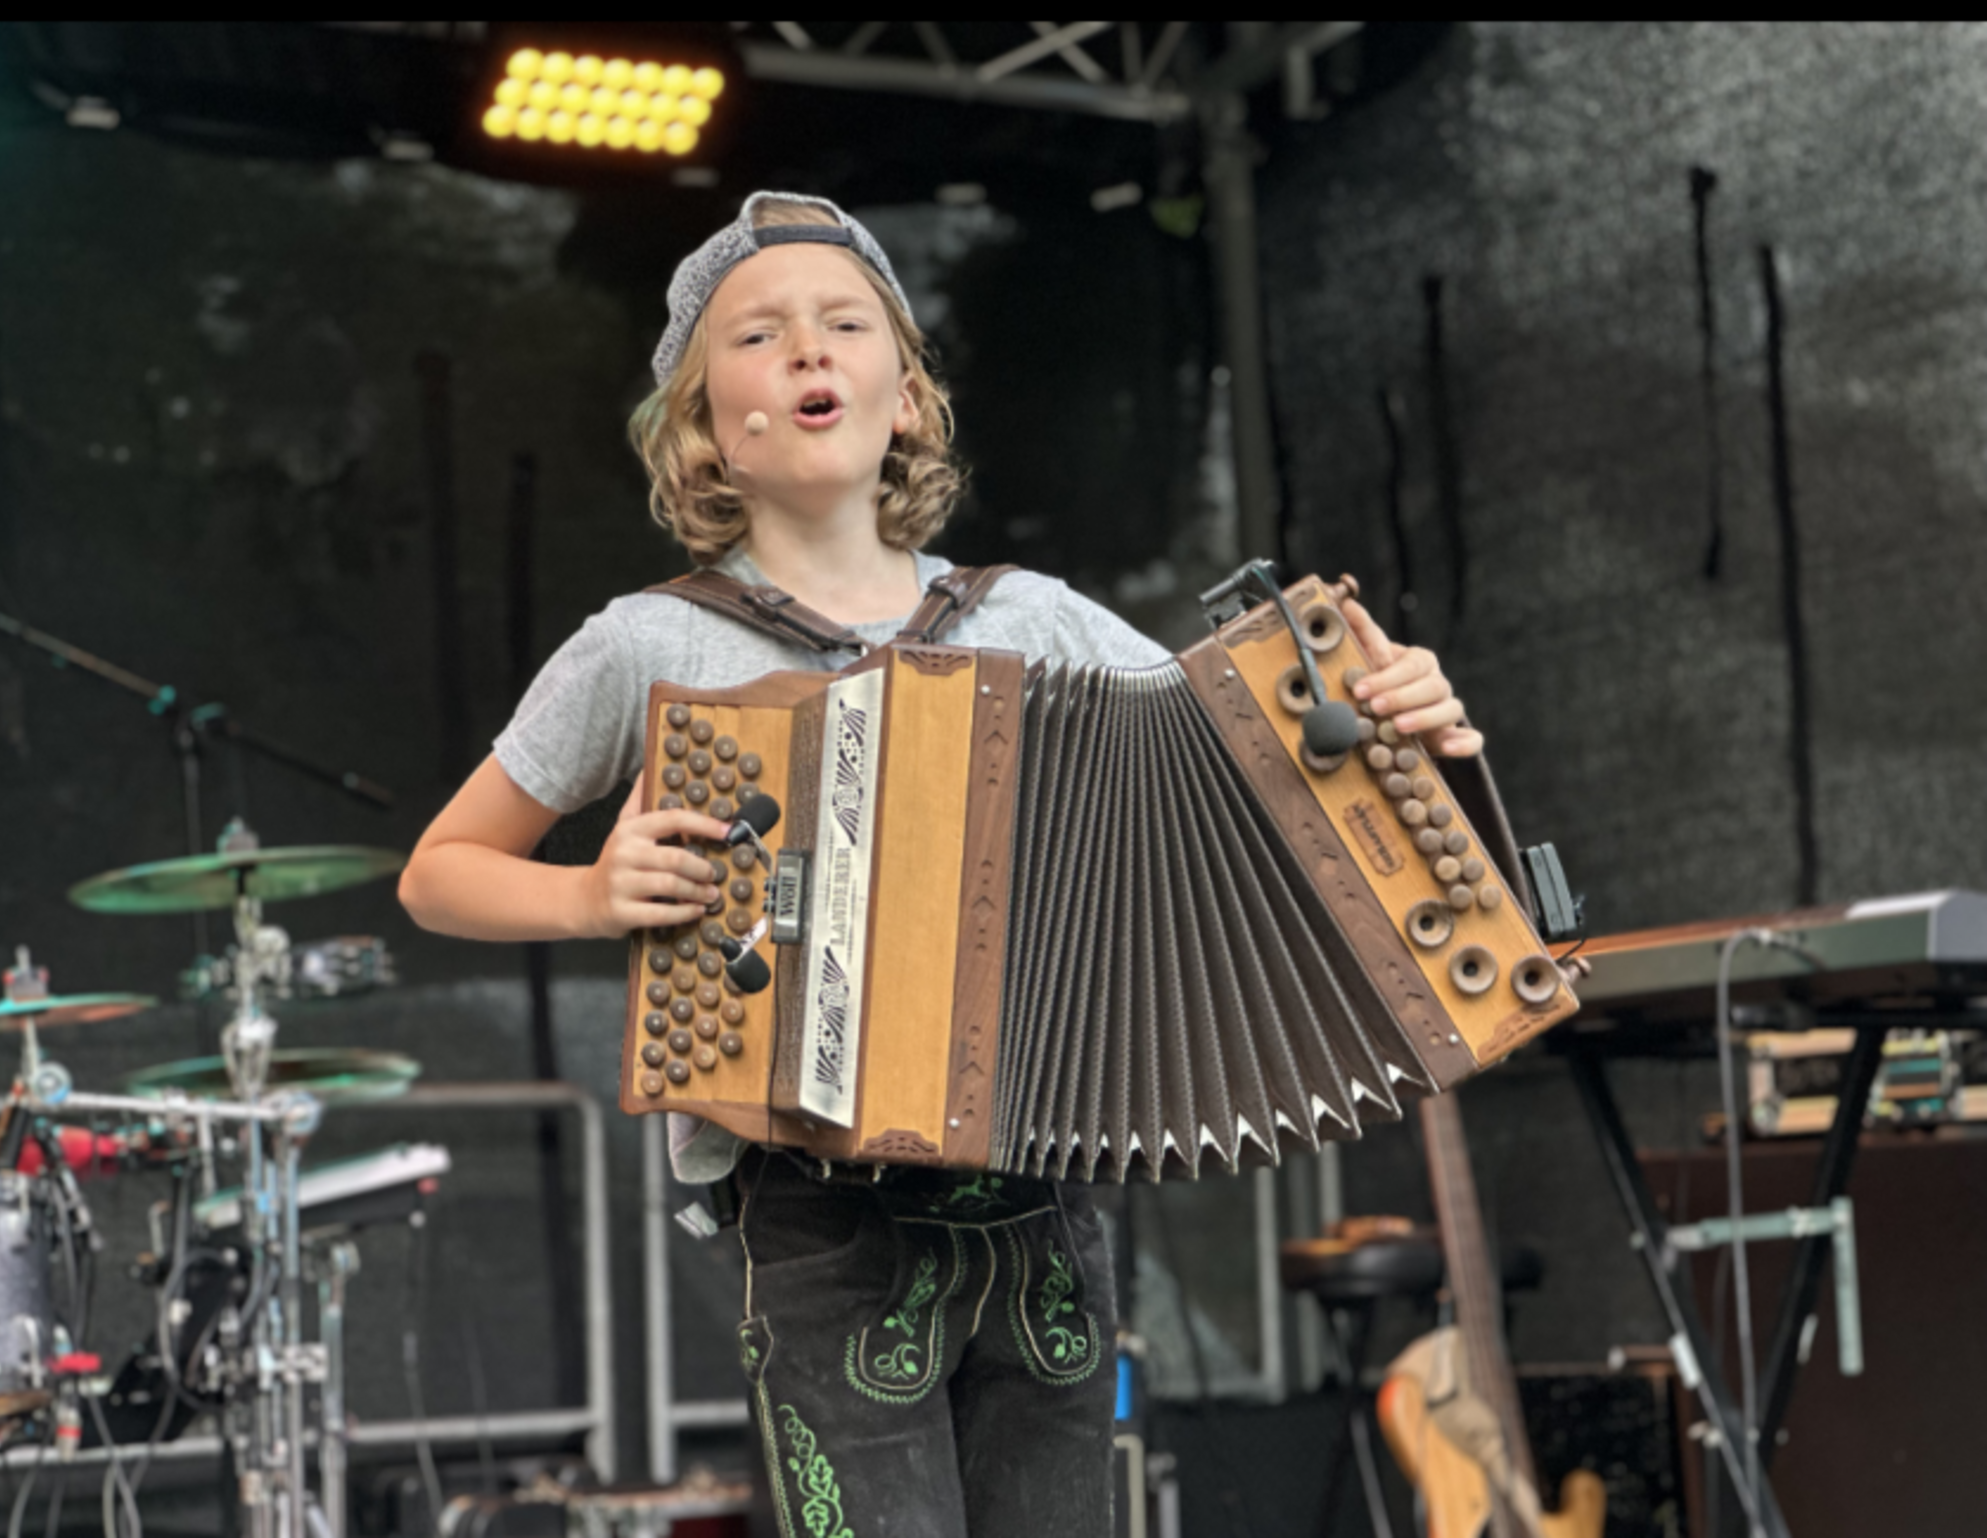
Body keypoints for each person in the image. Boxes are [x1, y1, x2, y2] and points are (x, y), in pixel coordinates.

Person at [399, 190, 1483, 1537]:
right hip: (815, 1220)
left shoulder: (1032, 618)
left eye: (846, 324)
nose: (808, 348)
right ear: (704, 426)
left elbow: (1254, 774)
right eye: (758, 335)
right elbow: (440, 869)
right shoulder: (649, 644)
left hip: (1042, 1206)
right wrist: (587, 892)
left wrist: (1395, 719)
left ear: (905, 399)